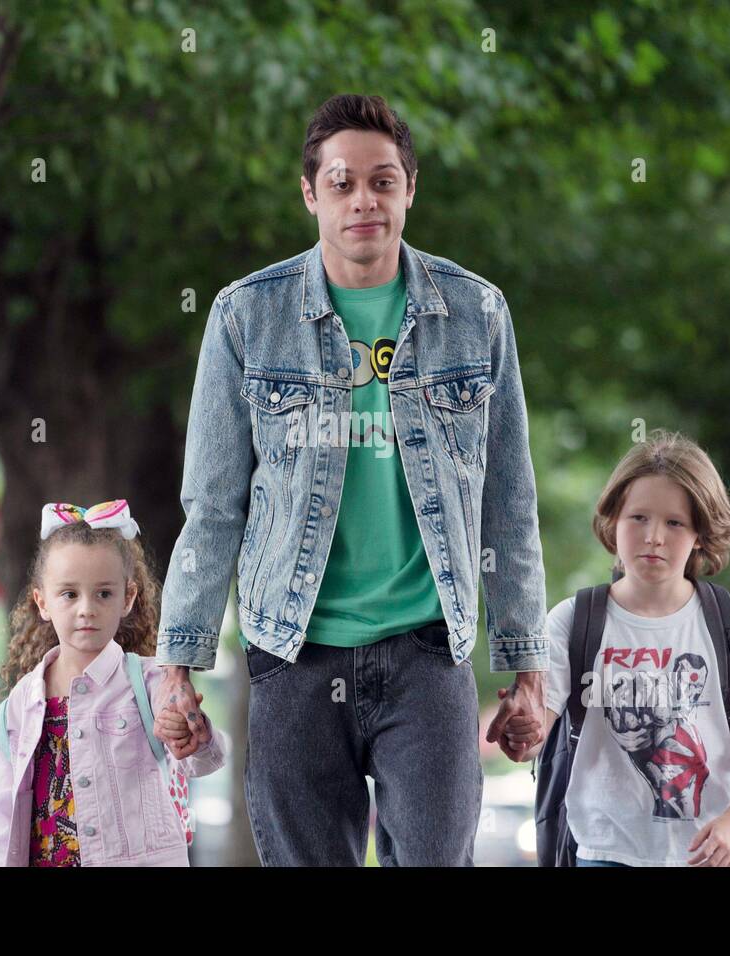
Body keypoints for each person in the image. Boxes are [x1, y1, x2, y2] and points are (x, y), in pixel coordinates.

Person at [154, 93, 548, 866]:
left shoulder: (476, 312)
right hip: (292, 653)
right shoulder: (246, 317)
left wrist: (526, 665)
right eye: (341, 183)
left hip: (427, 652)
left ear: (409, 190)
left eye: (382, 180)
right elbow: (211, 509)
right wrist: (180, 663)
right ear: (310, 194)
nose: (363, 199)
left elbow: (510, 507)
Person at [512, 430, 730, 866]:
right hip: (602, 853)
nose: (653, 536)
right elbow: (534, 738)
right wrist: (519, 731)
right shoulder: (573, 620)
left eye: (674, 522)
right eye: (638, 517)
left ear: (699, 534)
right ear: (613, 522)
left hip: (703, 856)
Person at [0, 500, 224, 866]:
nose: (86, 609)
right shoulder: (16, 708)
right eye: (69, 594)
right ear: (42, 602)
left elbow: (204, 760)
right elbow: (1, 820)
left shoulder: (152, 682)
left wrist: (191, 732)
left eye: (104, 593)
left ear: (128, 598)